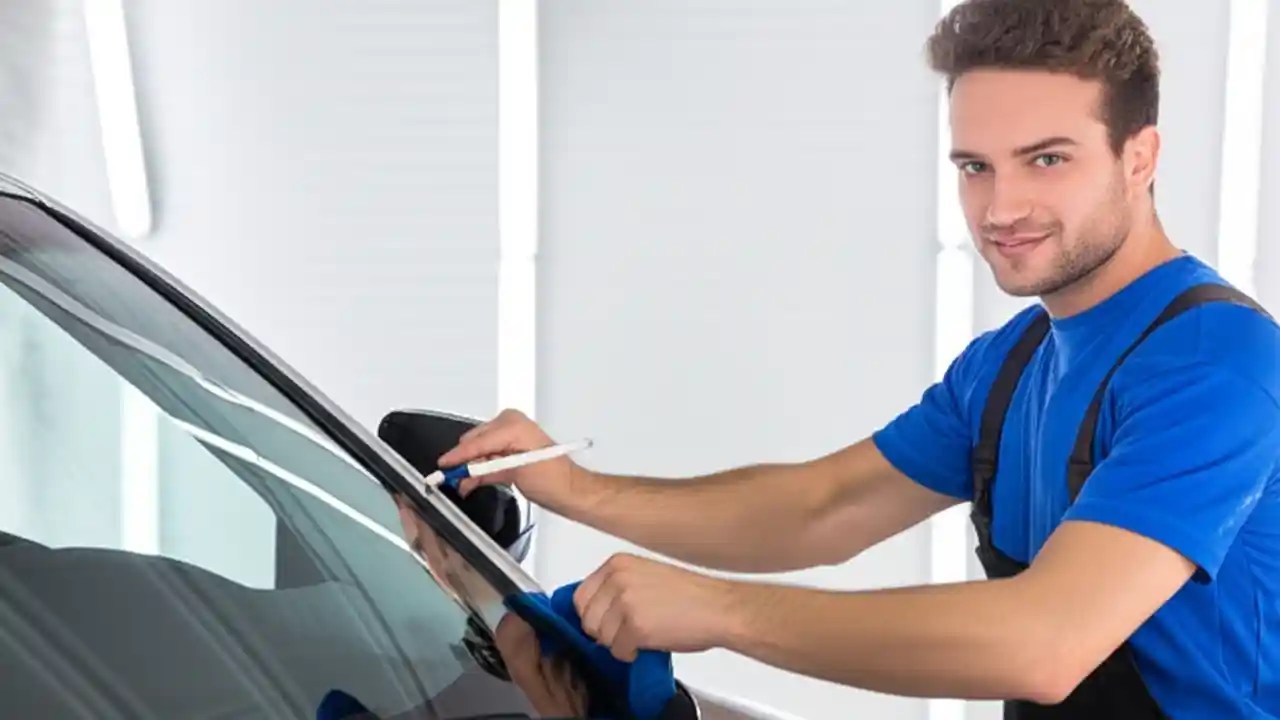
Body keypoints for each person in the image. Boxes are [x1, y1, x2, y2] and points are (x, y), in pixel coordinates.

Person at [438, 0, 1280, 716]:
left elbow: (1045, 642)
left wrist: (719, 610)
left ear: (1141, 158)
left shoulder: (1214, 367)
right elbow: (823, 507)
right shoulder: (1009, 366)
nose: (1002, 206)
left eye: (1047, 159)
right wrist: (575, 490)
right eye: (974, 167)